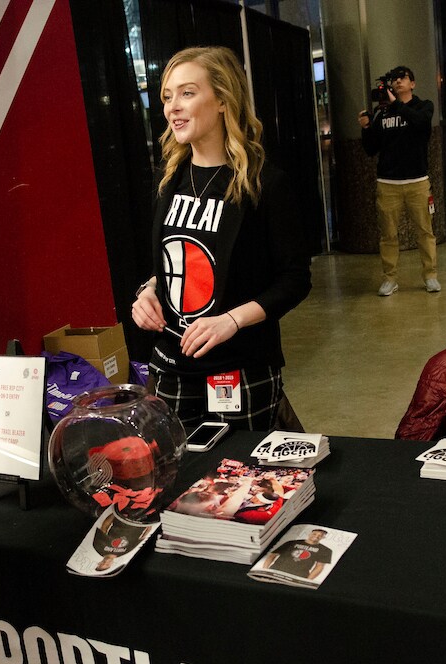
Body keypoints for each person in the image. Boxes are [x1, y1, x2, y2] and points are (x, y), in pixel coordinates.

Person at [130, 46, 311, 432]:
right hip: (171, 367)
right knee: (175, 481)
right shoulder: (169, 179)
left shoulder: (264, 183)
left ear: (224, 100)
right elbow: (173, 261)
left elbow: (295, 279)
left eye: (188, 93)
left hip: (240, 370)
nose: (173, 107)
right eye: (167, 96)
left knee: (241, 485)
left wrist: (231, 320)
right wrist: (149, 291)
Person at [359, 65, 440, 296]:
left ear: (412, 83)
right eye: (394, 79)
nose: (397, 82)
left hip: (418, 181)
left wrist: (396, 104)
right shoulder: (382, 113)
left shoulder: (423, 106)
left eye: (402, 78)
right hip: (388, 184)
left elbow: (421, 124)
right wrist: (366, 128)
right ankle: (390, 279)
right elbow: (370, 149)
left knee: (425, 232)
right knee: (388, 235)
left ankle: (430, 276)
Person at [262, 527, 333, 581]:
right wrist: (265, 571)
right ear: (310, 534)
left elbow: (319, 566)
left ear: (323, 537)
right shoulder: (291, 543)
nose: (317, 536)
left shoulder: (326, 550)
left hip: (298, 577)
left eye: (320, 535)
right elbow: (272, 555)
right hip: (276, 572)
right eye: (314, 534)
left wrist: (307, 581)